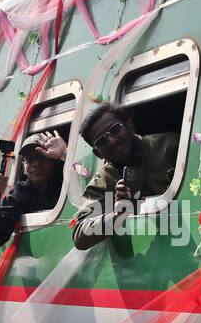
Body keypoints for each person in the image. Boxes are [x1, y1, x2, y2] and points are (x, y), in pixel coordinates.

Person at [72, 104, 178, 250]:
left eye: (114, 130)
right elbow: (80, 233)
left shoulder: (170, 147)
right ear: (98, 154)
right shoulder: (105, 180)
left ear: (129, 125)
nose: (112, 141)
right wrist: (118, 215)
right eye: (102, 141)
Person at [0, 130, 67, 249]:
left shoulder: (67, 177)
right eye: (30, 159)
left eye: (42, 157)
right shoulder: (19, 194)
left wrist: (65, 154)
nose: (36, 164)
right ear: (24, 166)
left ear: (54, 160)